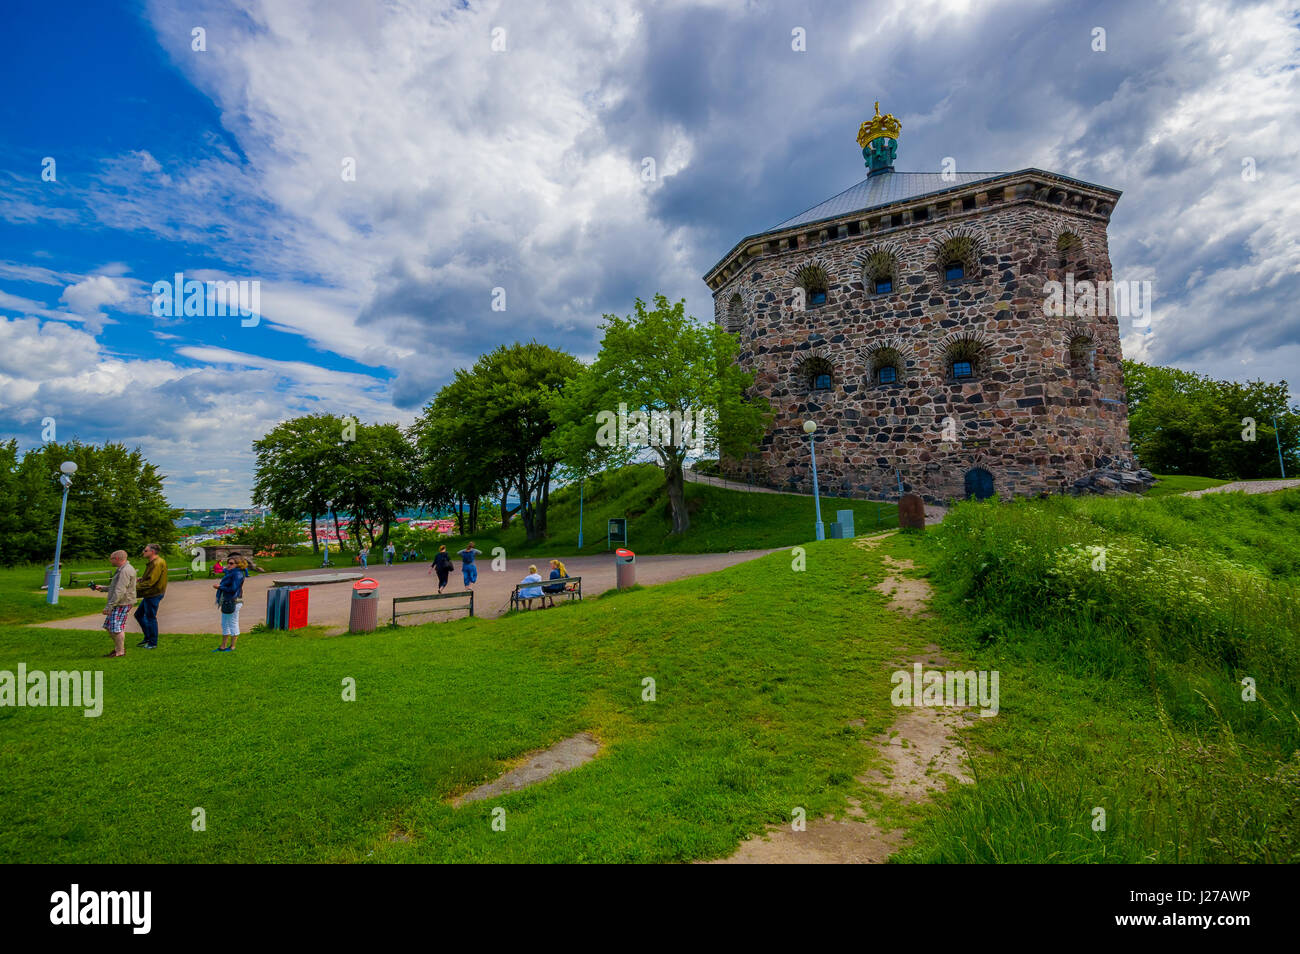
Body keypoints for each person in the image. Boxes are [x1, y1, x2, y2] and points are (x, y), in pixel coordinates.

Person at [90, 550, 137, 657]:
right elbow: (117, 587)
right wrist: (103, 588)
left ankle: (120, 652)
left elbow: (120, 591)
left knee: (116, 628)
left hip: (122, 603)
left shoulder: (125, 571)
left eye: (111, 558)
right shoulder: (122, 569)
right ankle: (118, 649)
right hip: (119, 602)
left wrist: (109, 606)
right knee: (109, 626)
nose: (109, 560)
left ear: (116, 559)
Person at [212, 555, 249, 652]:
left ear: (238, 564)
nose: (228, 565)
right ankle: (223, 646)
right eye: (228, 563)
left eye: (231, 563)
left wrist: (220, 587)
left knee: (233, 623)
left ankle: (232, 647)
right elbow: (220, 570)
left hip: (234, 601)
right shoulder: (231, 572)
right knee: (225, 623)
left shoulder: (237, 574)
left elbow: (233, 589)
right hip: (228, 600)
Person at [134, 543, 167, 649]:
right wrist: (141, 580)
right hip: (150, 593)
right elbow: (150, 578)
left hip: (153, 594)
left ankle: (152, 643)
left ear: (152, 552)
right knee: (138, 615)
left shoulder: (157, 563)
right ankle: (148, 637)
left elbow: (151, 582)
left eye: (145, 550)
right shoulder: (154, 562)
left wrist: (133, 588)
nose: (143, 552)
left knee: (150, 618)